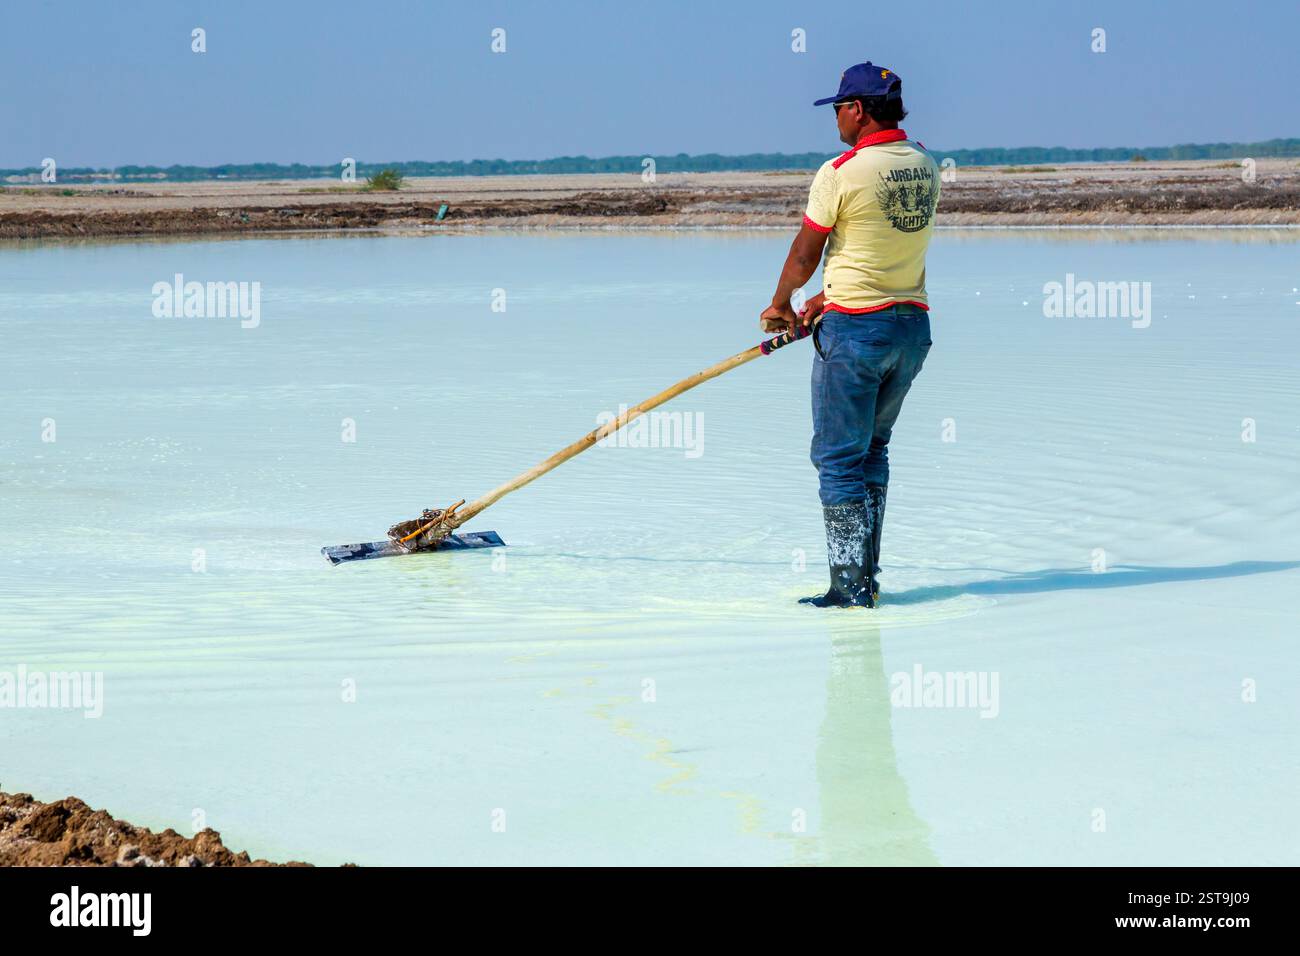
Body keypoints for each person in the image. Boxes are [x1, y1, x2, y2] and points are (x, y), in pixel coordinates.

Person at [759, 62, 940, 608]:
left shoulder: (842, 170)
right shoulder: (924, 163)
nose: (835, 118)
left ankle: (849, 588)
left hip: (857, 333)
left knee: (838, 459)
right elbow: (877, 247)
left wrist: (780, 304)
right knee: (872, 451)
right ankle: (868, 578)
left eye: (838, 108)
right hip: (910, 328)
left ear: (858, 110)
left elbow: (804, 252)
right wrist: (825, 299)